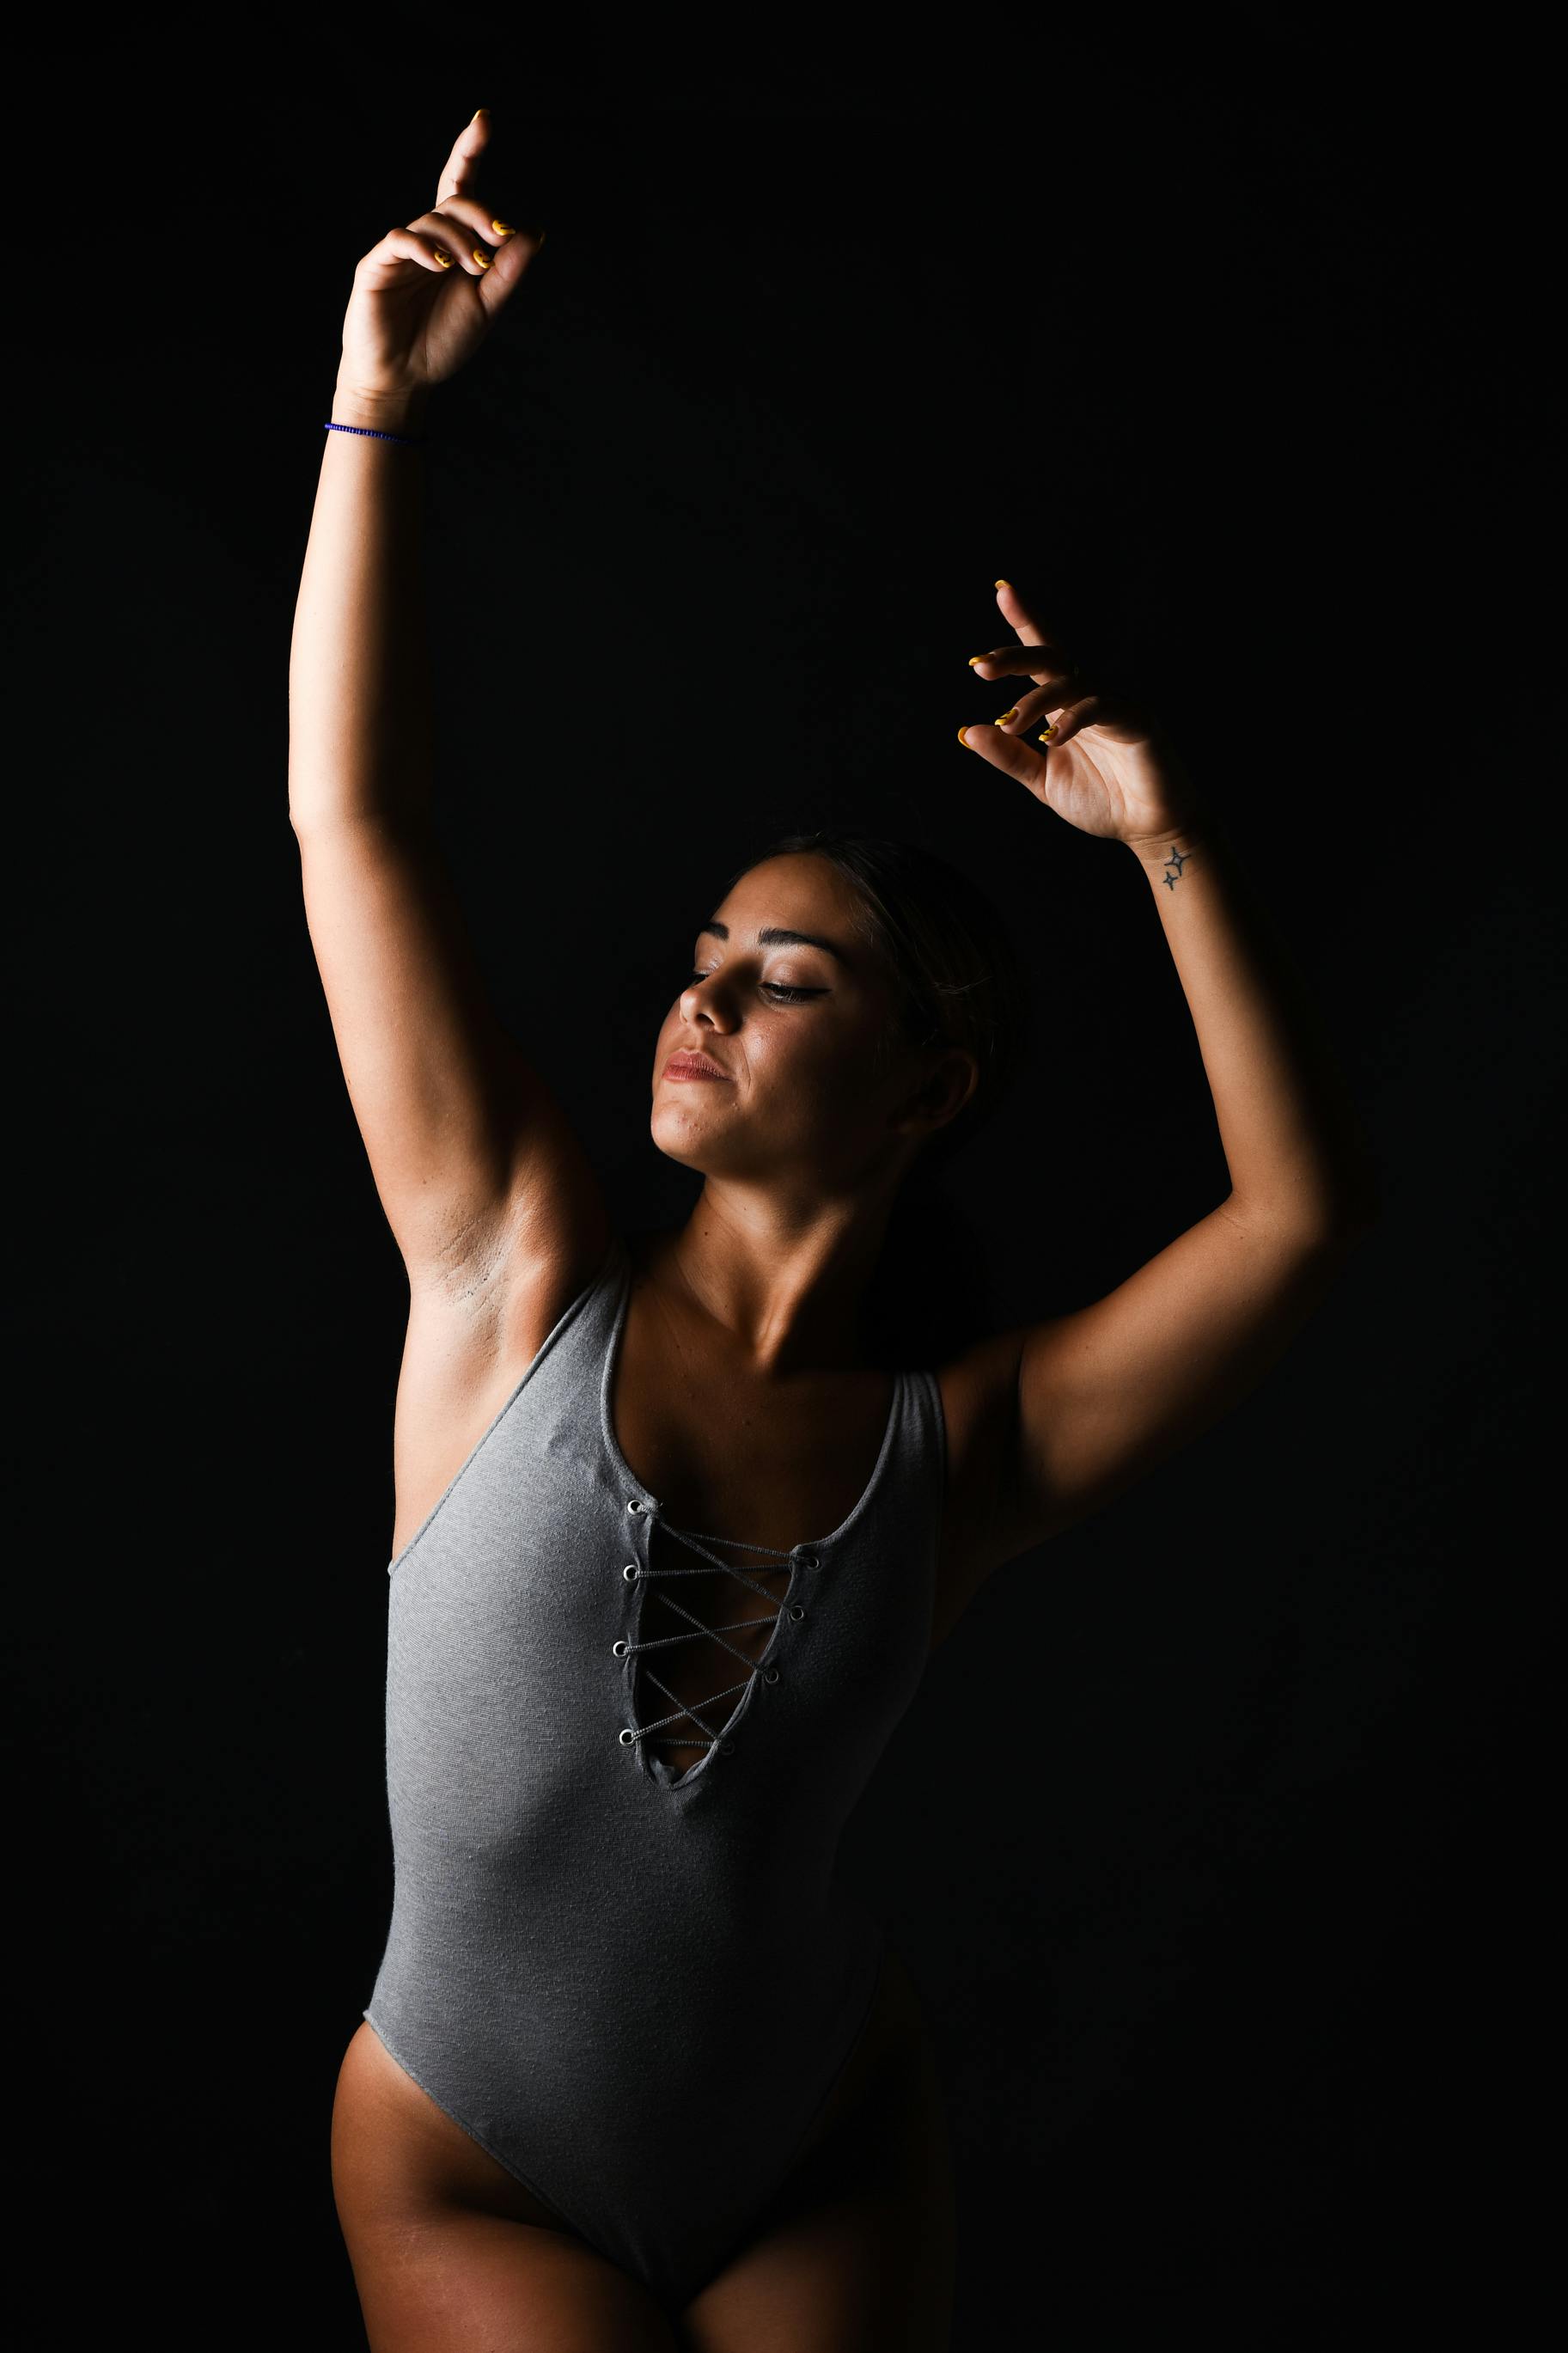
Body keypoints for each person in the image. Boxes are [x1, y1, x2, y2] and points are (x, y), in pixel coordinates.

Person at [293, 109, 1378, 2353]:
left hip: (811, 2142)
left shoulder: (956, 1449)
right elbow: (354, 812)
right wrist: (371, 403)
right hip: (468, 2149)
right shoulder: (506, 1275)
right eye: (704, 949)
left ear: (923, 1084)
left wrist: (1163, 839)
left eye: (781, 973)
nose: (696, 994)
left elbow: (1292, 1223)